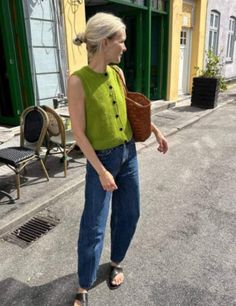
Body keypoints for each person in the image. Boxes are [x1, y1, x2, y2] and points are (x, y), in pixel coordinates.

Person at [67, 12, 168, 306]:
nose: (125, 47)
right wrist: (100, 171)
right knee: (94, 225)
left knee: (129, 213)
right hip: (102, 161)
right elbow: (79, 135)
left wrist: (157, 131)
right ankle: (84, 285)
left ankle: (116, 262)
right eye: (121, 41)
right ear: (105, 41)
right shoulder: (78, 82)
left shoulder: (117, 73)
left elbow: (130, 111)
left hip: (128, 154)